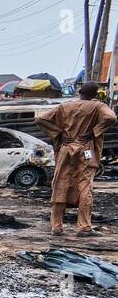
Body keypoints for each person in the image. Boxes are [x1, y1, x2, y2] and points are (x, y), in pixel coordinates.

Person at [35, 82, 116, 236]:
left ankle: (56, 226)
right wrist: (94, 132)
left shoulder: (65, 106)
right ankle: (84, 227)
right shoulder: (97, 106)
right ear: (96, 94)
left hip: (66, 149)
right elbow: (111, 117)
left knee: (60, 184)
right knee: (85, 186)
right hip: (85, 150)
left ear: (79, 91)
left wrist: (59, 133)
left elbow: (40, 120)